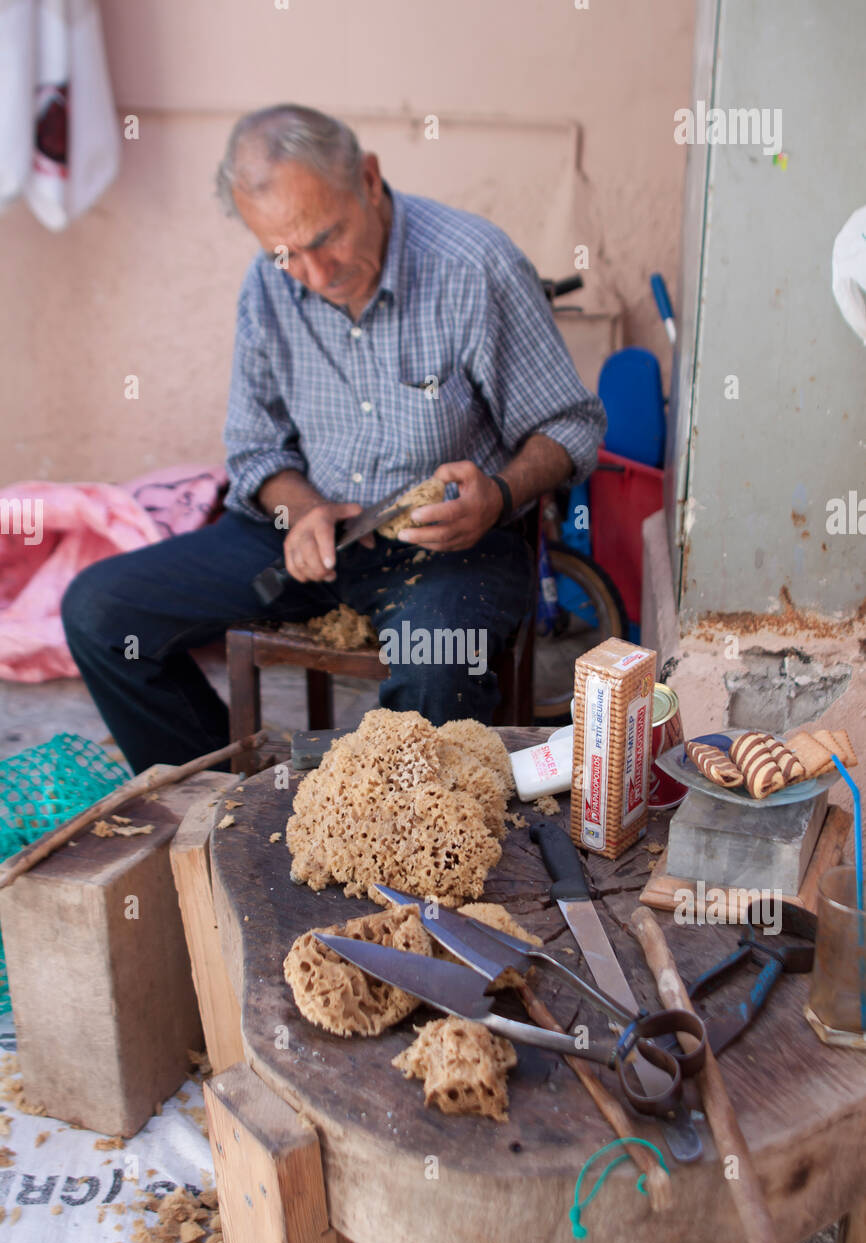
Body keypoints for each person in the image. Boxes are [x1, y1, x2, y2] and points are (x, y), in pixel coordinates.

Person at [62, 104, 606, 773]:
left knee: (436, 669)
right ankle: (225, 803)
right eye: (288, 254)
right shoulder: (268, 285)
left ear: (370, 181)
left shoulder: (475, 265)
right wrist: (301, 509)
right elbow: (259, 450)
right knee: (100, 613)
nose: (316, 275)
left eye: (329, 237)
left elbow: (570, 426)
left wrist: (497, 494)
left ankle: (394, 852)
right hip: (306, 533)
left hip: (451, 543)